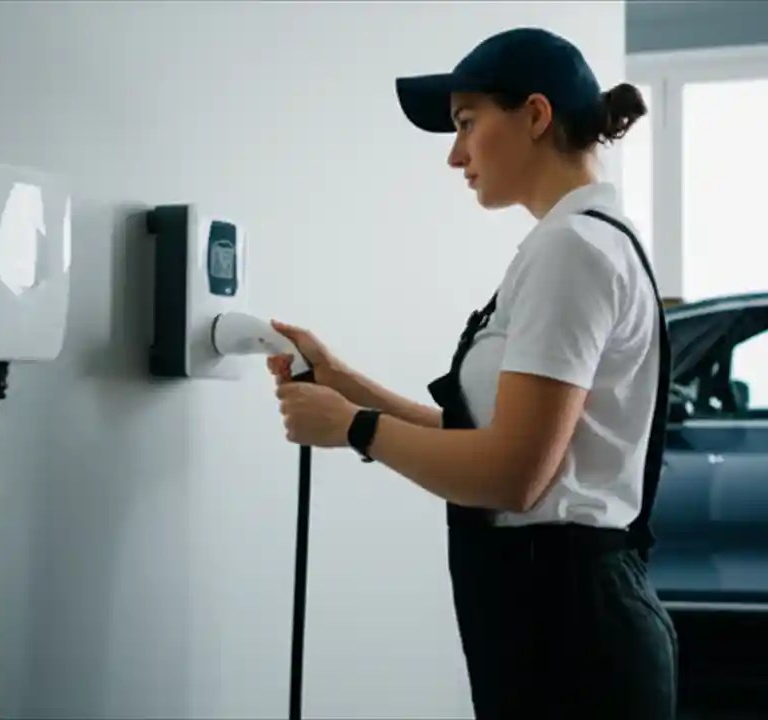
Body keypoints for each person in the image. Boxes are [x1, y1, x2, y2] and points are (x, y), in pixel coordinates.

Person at [266, 27, 677, 720]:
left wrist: (355, 428)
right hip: (566, 617)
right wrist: (342, 383)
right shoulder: (581, 242)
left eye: (465, 123)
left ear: (536, 115)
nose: (455, 155)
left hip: (571, 635)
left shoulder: (572, 250)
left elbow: (513, 476)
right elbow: (496, 440)